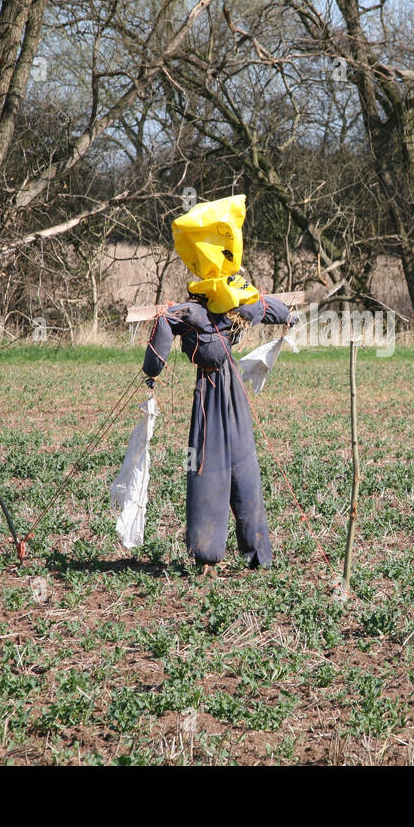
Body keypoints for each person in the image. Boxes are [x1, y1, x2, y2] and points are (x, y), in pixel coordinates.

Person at [142, 195, 295, 572]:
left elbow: (277, 310)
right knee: (211, 468)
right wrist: (153, 368)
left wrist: (152, 371)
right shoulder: (202, 312)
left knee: (234, 468)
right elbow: (278, 309)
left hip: (220, 396)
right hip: (215, 395)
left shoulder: (224, 308)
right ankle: (214, 555)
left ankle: (254, 553)